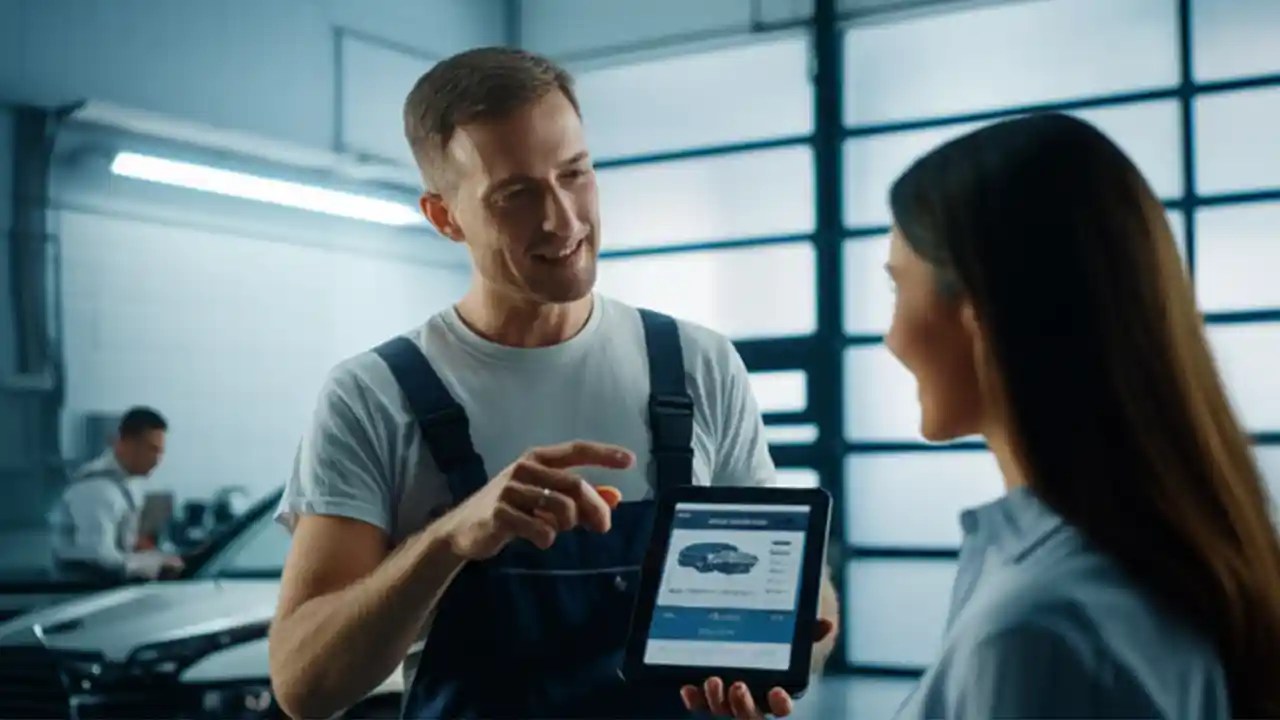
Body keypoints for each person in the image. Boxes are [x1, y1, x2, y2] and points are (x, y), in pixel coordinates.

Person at [267, 46, 839, 720]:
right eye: (516, 195)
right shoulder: (373, 396)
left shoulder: (697, 364)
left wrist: (778, 652)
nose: (563, 219)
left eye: (575, 174)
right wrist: (449, 539)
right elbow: (304, 685)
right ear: (445, 216)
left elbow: (805, 608)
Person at [881, 112, 1280, 719]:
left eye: (897, 289)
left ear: (978, 310)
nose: (892, 338)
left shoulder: (1032, 634)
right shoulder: (1175, 561)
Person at [49, 406, 184, 583]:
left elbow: (126, 540)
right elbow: (99, 558)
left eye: (160, 451)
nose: (157, 460)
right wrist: (154, 564)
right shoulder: (96, 490)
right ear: (124, 443)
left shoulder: (128, 484)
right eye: (151, 449)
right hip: (83, 592)